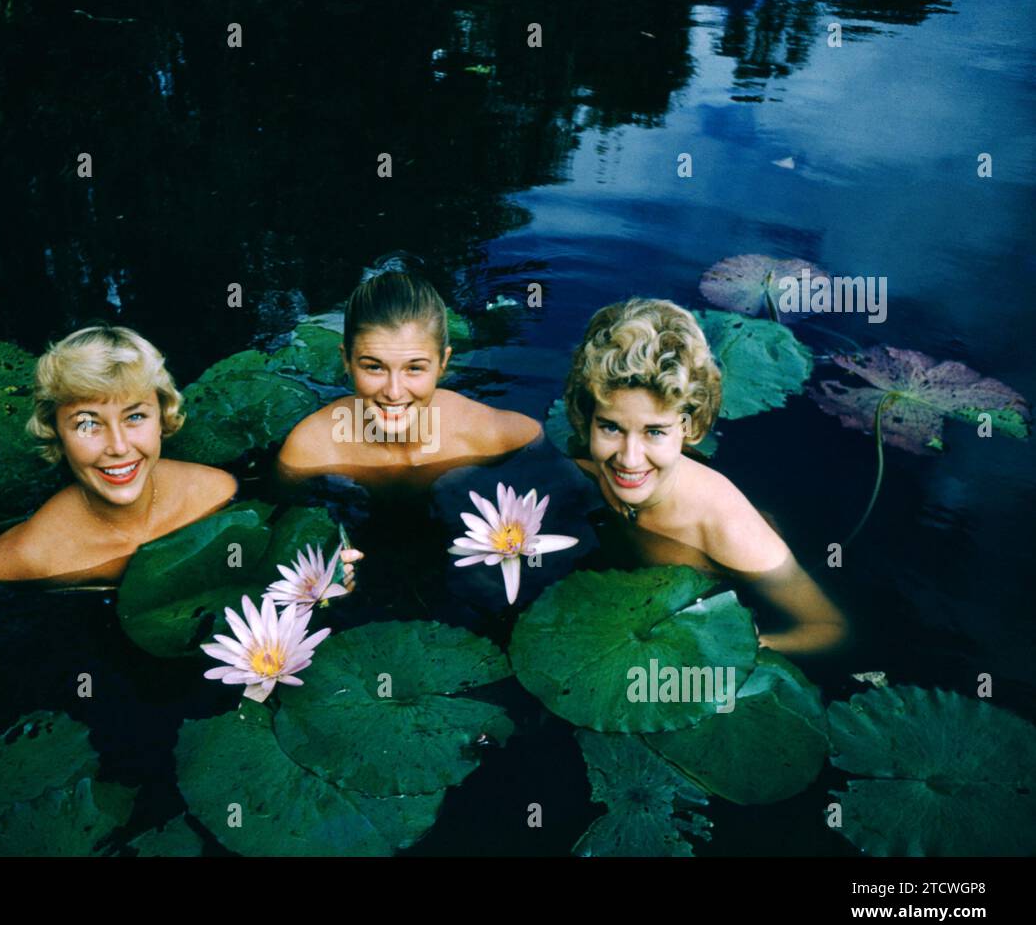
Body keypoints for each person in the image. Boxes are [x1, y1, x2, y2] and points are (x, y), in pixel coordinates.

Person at [563, 298, 847, 655]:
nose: (629, 459)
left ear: (689, 425)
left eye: (654, 432)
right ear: (587, 418)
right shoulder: (588, 467)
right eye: (610, 427)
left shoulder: (728, 529)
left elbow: (827, 627)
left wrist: (741, 649)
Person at [0, 325, 238, 583]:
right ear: (56, 433)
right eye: (87, 423)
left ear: (162, 417)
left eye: (135, 416)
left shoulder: (216, 494)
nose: (119, 447)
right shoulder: (27, 557)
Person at [277, 271, 542, 488]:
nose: (393, 392)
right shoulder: (309, 450)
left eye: (414, 368)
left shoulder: (493, 434)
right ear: (346, 360)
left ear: (443, 363)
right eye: (374, 367)